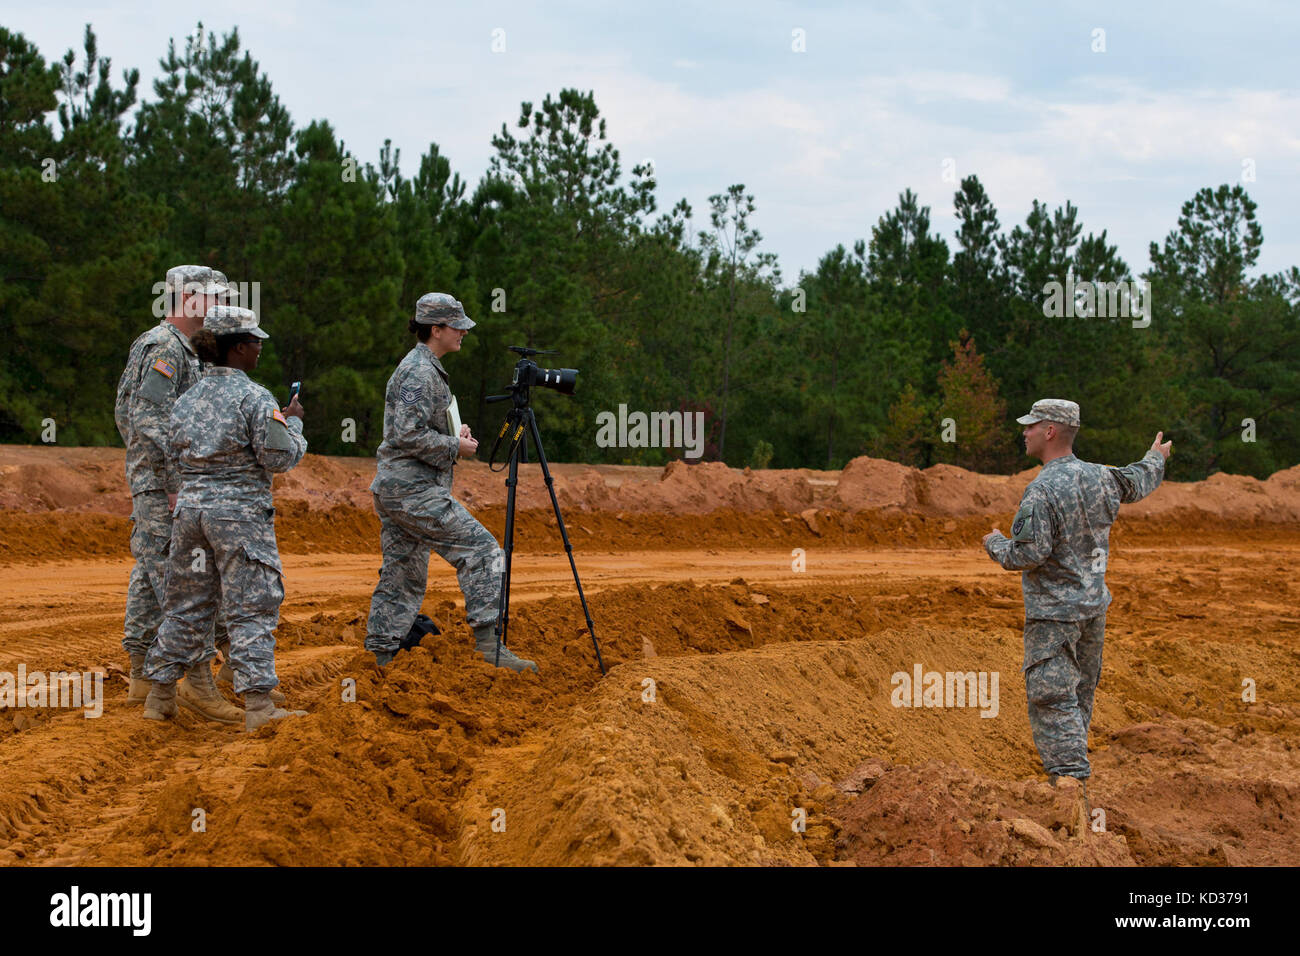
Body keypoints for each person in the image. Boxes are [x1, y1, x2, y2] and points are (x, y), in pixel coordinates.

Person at [982, 399, 1171, 832]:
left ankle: (1070, 792)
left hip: (1054, 616)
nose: (1024, 432)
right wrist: (1155, 458)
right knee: (1079, 699)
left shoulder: (1042, 490)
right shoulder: (1101, 477)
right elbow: (1138, 481)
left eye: (1031, 426)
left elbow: (1028, 553)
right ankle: (1073, 790)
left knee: (1053, 698)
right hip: (1093, 612)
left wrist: (994, 542)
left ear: (1050, 431)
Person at [141, 305, 309, 731]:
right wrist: (294, 428)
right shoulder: (255, 398)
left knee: (186, 606)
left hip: (191, 513)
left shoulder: (187, 398)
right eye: (255, 342)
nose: (259, 350)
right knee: (252, 607)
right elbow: (278, 456)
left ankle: (159, 696)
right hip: (238, 517)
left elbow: (171, 449)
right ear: (236, 349)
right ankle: (258, 706)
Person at [366, 293, 536, 673]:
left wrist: (451, 434)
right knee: (483, 552)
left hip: (401, 489)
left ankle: (380, 656)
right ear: (435, 329)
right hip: (412, 490)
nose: (463, 332)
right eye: (456, 326)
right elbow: (404, 435)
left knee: (402, 573)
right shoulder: (418, 372)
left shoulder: (426, 368)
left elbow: (414, 430)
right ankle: (488, 646)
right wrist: (454, 446)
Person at [115, 264, 240, 721]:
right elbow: (145, 422)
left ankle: (142, 675)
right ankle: (196, 680)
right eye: (213, 298)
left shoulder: (186, 349)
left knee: (153, 575)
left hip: (165, 483)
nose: (220, 307)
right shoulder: (163, 347)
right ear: (187, 299)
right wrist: (171, 484)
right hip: (163, 487)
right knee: (185, 580)